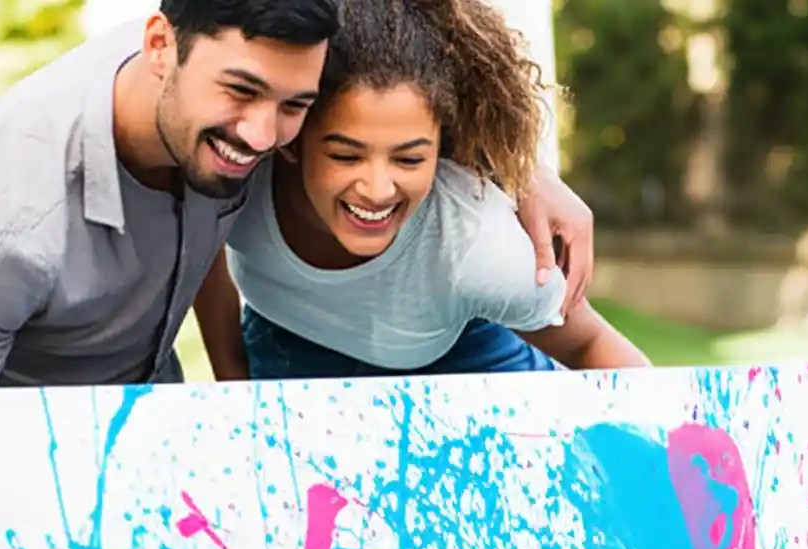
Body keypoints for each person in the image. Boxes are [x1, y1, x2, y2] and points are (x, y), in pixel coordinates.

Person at [0, 1, 597, 549]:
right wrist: (123, 515)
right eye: (242, 92)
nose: (261, 133)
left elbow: (397, 66)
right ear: (159, 45)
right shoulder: (1, 221)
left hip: (133, 430)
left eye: (293, 106)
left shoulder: (239, 120)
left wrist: (519, 168)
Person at [222, 0, 650, 379]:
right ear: (292, 138)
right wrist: (231, 385)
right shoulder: (236, 177)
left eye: (409, 159)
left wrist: (677, 438)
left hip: (465, 361)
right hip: (289, 347)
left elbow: (589, 342)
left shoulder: (477, 244)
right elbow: (200, 259)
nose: (377, 189)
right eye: (346, 156)